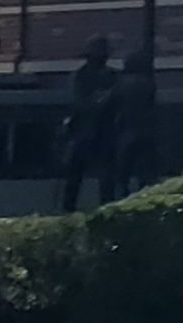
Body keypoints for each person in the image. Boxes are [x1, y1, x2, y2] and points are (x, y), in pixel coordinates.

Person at [57, 35, 117, 213]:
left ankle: (106, 210)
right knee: (75, 177)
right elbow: (78, 103)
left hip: (102, 132)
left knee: (105, 178)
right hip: (84, 132)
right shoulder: (81, 76)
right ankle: (69, 211)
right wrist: (99, 101)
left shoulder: (111, 76)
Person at [113, 42, 159, 201]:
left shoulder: (122, 83)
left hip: (127, 130)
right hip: (146, 131)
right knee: (146, 172)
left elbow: (113, 102)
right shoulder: (148, 83)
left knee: (123, 172)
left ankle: (122, 198)